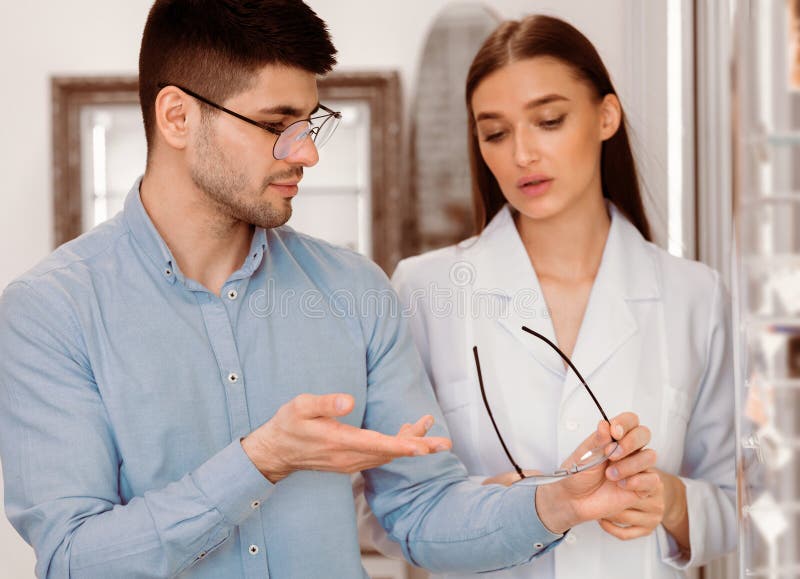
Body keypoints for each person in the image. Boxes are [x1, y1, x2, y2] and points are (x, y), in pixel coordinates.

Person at [0, 3, 659, 578]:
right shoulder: (51, 313)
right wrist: (260, 460)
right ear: (177, 116)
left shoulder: (356, 291)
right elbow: (71, 558)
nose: (307, 153)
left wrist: (561, 501)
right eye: (276, 123)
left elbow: (420, 512)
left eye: (311, 123)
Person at [366, 13, 736, 579]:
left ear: (605, 116)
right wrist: (481, 514)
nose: (522, 155)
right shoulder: (425, 290)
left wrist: (672, 500)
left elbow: (748, 501)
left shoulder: (695, 296)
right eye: (495, 132)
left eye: (549, 120)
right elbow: (374, 508)